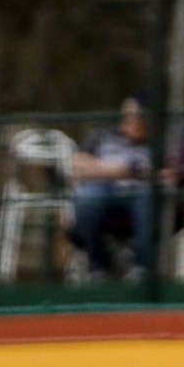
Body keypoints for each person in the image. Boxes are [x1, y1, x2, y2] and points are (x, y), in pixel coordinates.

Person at [71, 96, 155, 279]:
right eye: (130, 114)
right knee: (84, 199)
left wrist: (102, 168)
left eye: (139, 115)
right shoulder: (103, 135)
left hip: (140, 192)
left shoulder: (156, 141)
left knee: (150, 199)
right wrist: (119, 171)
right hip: (103, 188)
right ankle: (99, 265)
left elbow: (164, 173)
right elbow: (79, 165)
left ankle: (140, 267)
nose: (134, 119)